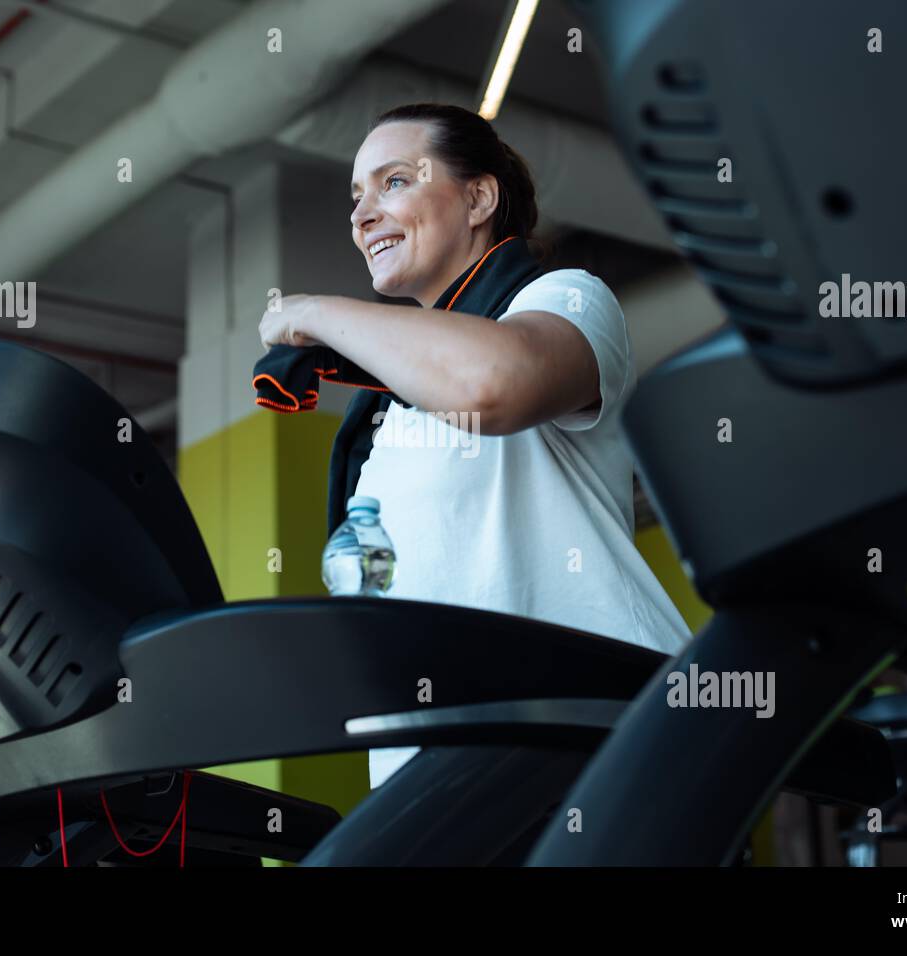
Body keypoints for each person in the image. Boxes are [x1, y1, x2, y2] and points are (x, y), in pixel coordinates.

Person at [258, 103, 690, 788]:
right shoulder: (390, 412)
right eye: (356, 197)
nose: (362, 214)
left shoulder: (567, 299)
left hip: (596, 741)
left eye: (393, 181)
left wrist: (314, 311)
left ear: (479, 197)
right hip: (438, 774)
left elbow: (495, 383)